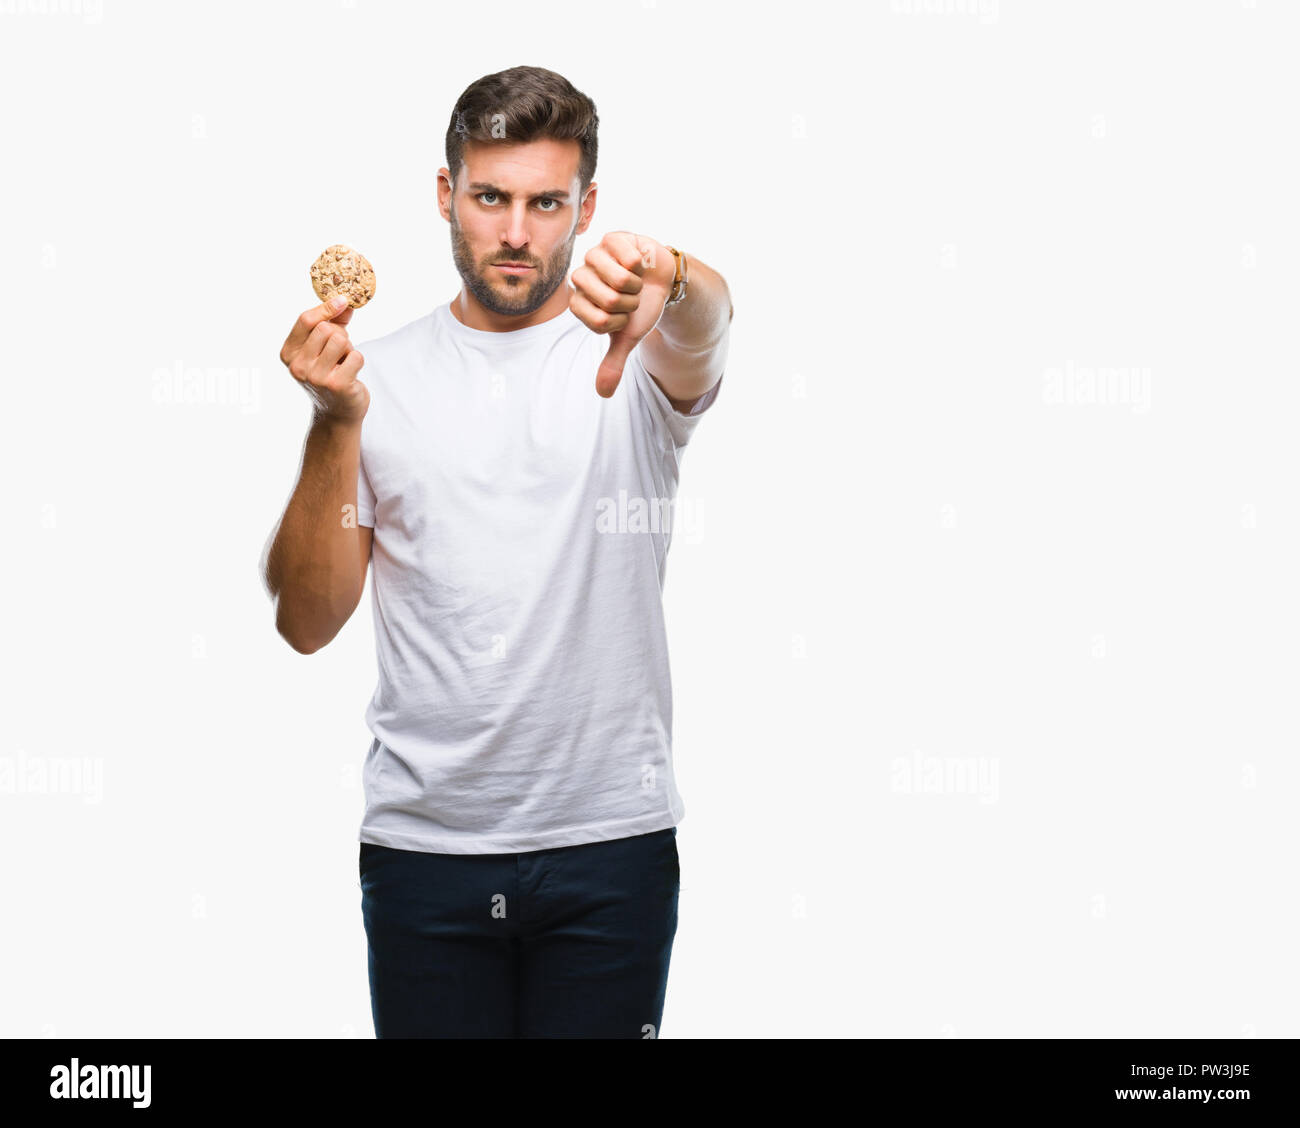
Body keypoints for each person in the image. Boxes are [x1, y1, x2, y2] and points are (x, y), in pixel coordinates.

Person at [261, 65, 732, 1038]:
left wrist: (672, 277)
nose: (516, 231)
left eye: (545, 203)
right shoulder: (372, 379)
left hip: (610, 844)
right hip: (425, 851)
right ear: (447, 195)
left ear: (585, 207)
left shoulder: (639, 356)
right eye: (490, 198)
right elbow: (307, 621)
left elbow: (708, 323)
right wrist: (331, 424)